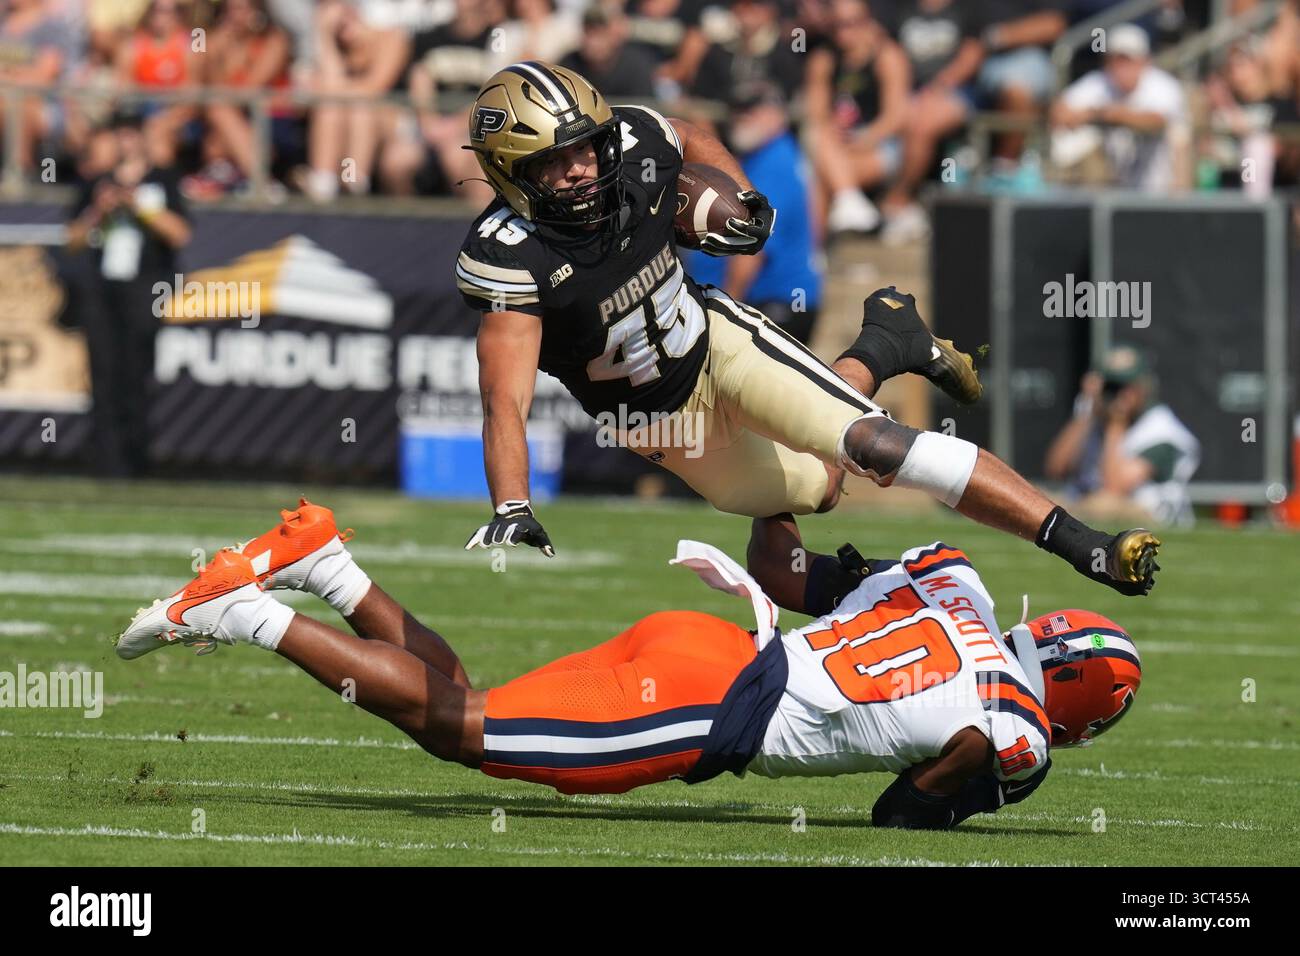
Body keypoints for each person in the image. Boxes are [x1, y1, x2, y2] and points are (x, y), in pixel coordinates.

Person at [454, 59, 1161, 602]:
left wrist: (739, 191)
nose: (582, 168)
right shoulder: (510, 256)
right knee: (817, 488)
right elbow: (504, 401)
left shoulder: (633, 144)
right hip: (659, 426)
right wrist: (511, 504)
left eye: (587, 147)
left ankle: (1083, 544)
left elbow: (687, 136)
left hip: (716, 342)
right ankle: (888, 342)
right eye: (555, 159)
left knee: (872, 446)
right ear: (510, 173)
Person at [114, 499, 1143, 830]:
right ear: (1078, 715)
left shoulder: (951, 577)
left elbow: (781, 564)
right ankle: (250, 611)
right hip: (704, 708)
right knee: (460, 733)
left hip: (711, 642)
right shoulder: (1014, 731)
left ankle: (329, 566)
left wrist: (776, 472)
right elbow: (901, 814)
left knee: (466, 703)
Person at [65, 108, 192, 477]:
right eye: (120, 135)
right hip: (103, 289)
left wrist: (142, 208)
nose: (126, 142)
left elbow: (181, 233)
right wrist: (98, 212)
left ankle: (139, 460)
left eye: (132, 134)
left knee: (137, 372)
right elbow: (71, 239)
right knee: (103, 374)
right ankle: (106, 462)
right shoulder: (98, 182)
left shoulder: (162, 181)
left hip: (145, 287)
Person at [687, 82, 823, 344]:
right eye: (737, 109)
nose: (742, 116)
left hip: (775, 303)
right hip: (781, 299)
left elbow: (751, 249)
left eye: (753, 109)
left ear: (777, 113)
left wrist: (723, 320)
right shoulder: (775, 155)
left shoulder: (772, 164)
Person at [1044, 346, 1200, 526]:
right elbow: (1055, 468)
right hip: (1090, 504)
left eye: (1125, 386)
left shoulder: (1160, 429)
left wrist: (1116, 423)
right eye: (1110, 385)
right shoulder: (1094, 419)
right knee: (1038, 497)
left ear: (1142, 388)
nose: (1117, 393)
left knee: (1103, 505)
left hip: (1152, 517)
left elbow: (1114, 488)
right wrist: (1087, 411)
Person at [804, 0, 911, 235]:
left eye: (852, 24)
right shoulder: (823, 59)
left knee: (816, 178)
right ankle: (849, 200)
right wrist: (834, 130)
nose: (844, 32)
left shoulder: (887, 55)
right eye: (837, 25)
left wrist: (864, 139)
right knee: (817, 144)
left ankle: (814, 255)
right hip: (836, 147)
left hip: (882, 144)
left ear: (867, 22)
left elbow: (897, 117)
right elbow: (816, 114)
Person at [1050, 24, 1186, 192]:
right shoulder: (1100, 81)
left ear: (1145, 61)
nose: (1122, 68)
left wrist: (1112, 115)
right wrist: (1099, 114)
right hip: (1117, 190)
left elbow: (1156, 121)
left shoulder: (1164, 86)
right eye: (1116, 60)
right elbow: (1060, 113)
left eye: (1128, 60)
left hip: (1160, 192)